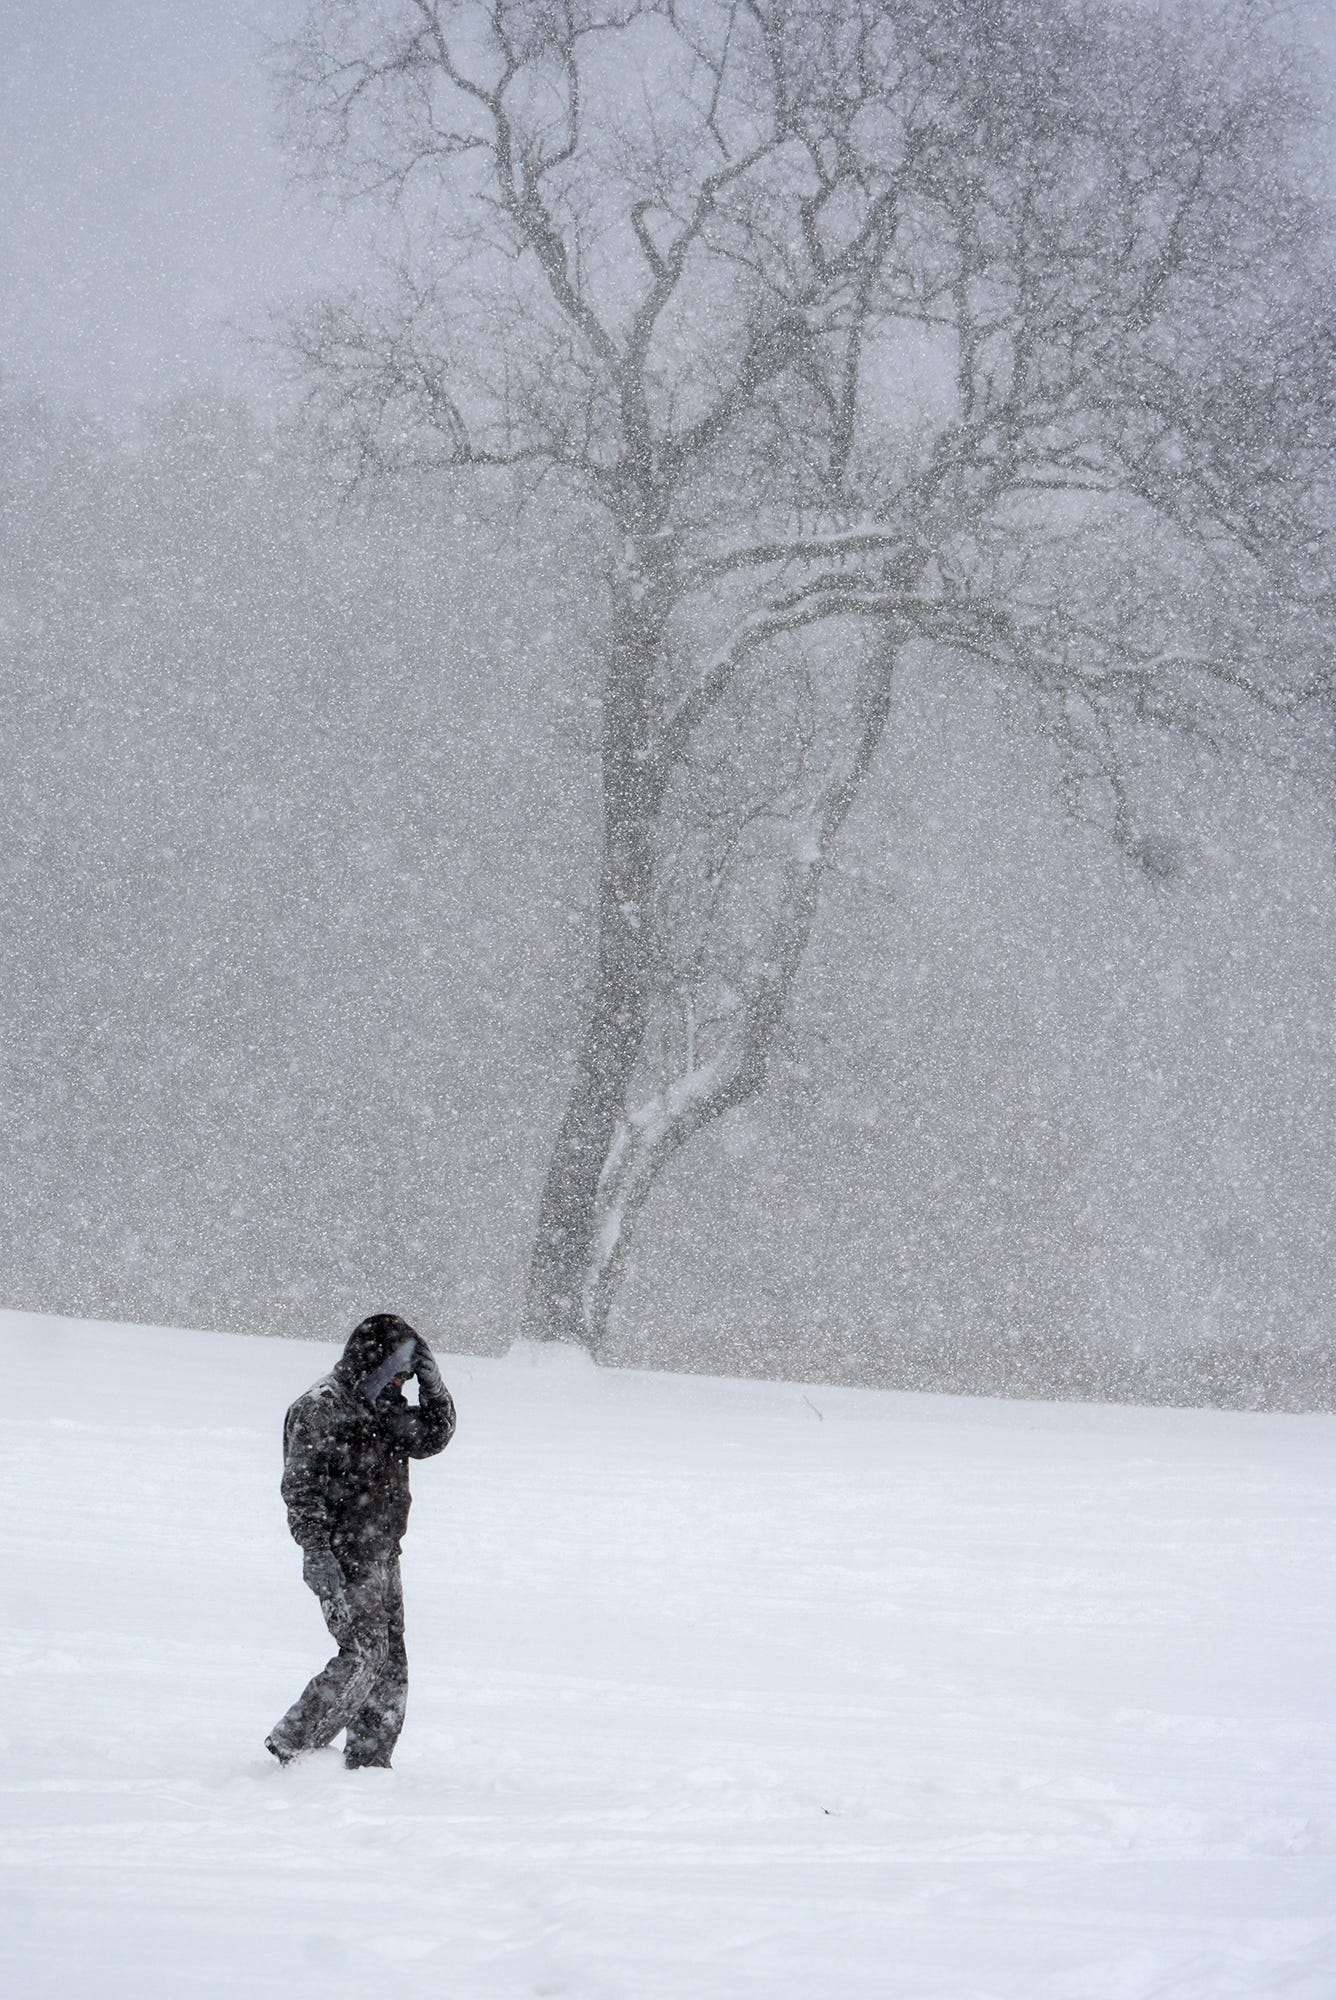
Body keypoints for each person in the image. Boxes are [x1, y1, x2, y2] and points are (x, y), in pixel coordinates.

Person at [265, 1312, 456, 1770]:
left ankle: (369, 1767)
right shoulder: (320, 1408)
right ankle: (294, 1745)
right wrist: (314, 1549)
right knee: (364, 1654)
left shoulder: (386, 1408)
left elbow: (433, 1436)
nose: (403, 1382)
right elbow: (301, 1487)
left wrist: (436, 1391)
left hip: (383, 1550)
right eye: (401, 1371)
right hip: (341, 1553)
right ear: (373, 1362)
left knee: (390, 1661)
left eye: (411, 1374)